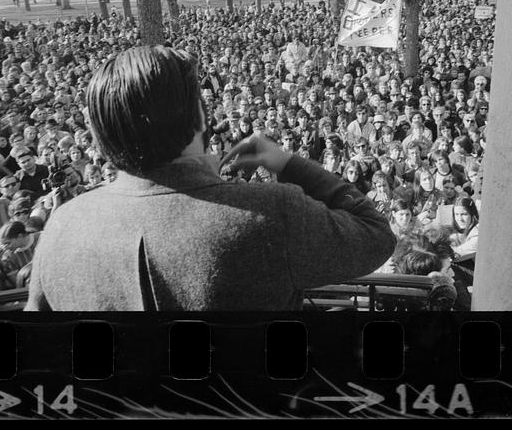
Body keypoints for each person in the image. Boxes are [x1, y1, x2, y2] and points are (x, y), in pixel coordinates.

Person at [26, 45, 395, 311]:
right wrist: (287, 163)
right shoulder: (268, 212)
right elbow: (375, 234)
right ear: (200, 120)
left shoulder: (62, 226)